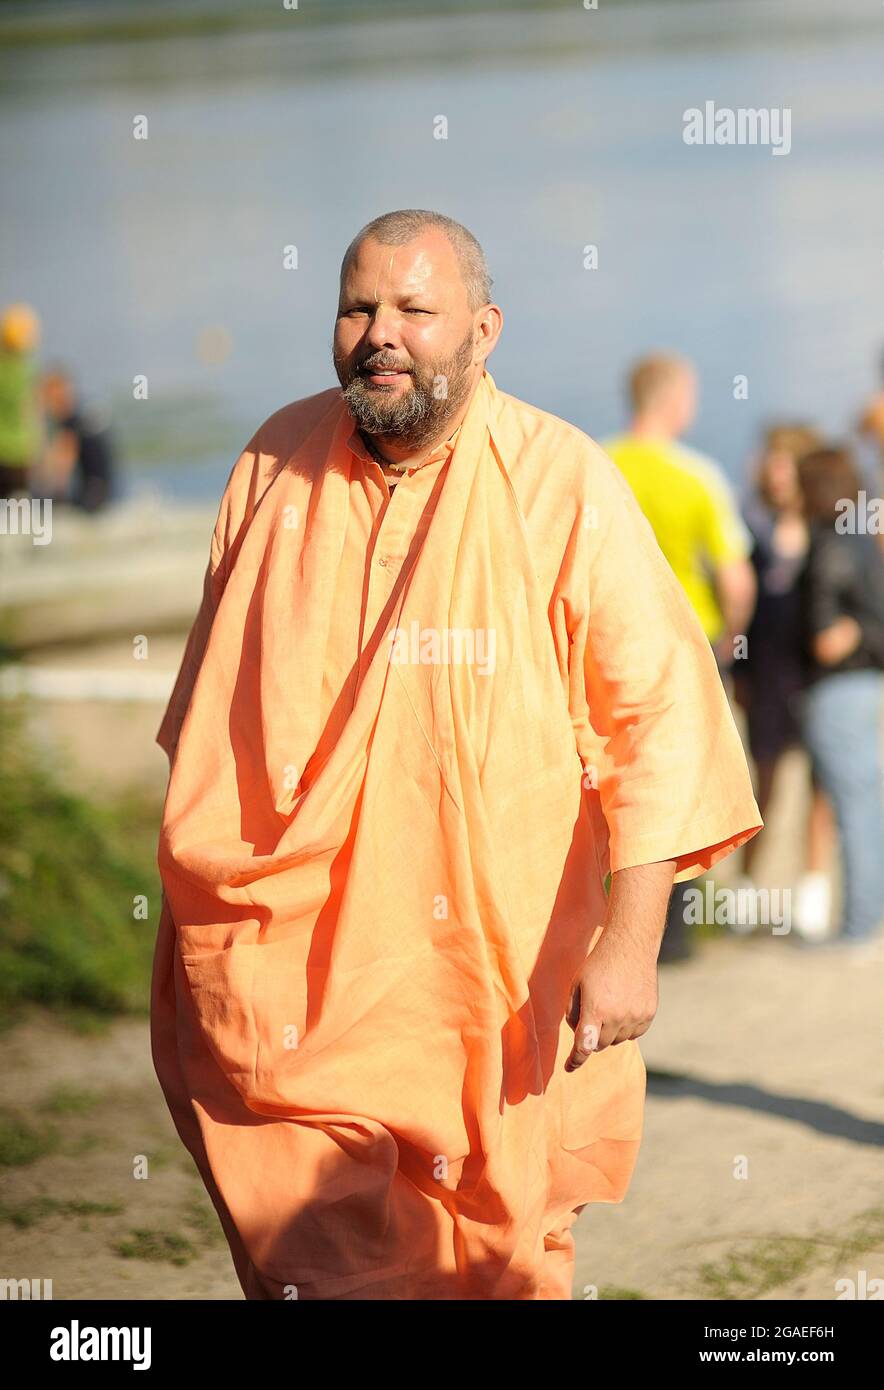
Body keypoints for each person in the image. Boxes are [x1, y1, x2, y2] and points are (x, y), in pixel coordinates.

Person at [151, 209, 761, 1301]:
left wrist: (628, 944)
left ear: (482, 330)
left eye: (414, 310)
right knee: (318, 1257)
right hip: (280, 987)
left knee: (500, 1255)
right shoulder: (269, 465)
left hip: (492, 983)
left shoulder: (560, 480)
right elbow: (207, 723)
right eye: (357, 306)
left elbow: (659, 726)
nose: (380, 332)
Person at [603, 355, 756, 958]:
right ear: (673, 399)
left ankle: (606, 925)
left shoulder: (598, 464)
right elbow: (736, 579)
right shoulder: (697, 475)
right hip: (684, 652)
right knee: (677, 788)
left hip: (605, 652)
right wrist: (729, 639)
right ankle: (673, 936)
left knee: (611, 789)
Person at [737, 425, 835, 939]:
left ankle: (813, 897)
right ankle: (748, 897)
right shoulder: (754, 532)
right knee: (763, 791)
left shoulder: (828, 533)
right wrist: (741, 673)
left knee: (823, 790)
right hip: (770, 678)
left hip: (817, 679)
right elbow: (746, 617)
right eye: (770, 465)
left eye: (784, 464)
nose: (776, 476)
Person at [795, 445, 884, 954]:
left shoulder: (828, 545)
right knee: (866, 803)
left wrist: (843, 631)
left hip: (839, 690)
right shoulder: (865, 541)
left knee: (852, 806)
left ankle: (858, 927)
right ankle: (866, 917)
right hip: (868, 683)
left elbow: (826, 637)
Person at [40, 367, 116, 512]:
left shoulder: (69, 425)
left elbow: (60, 472)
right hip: (105, 493)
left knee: (42, 504)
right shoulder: (83, 416)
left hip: (92, 498)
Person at [0, 302, 42, 497]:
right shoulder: (28, 372)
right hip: (20, 454)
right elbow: (31, 414)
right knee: (16, 516)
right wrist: (38, 450)